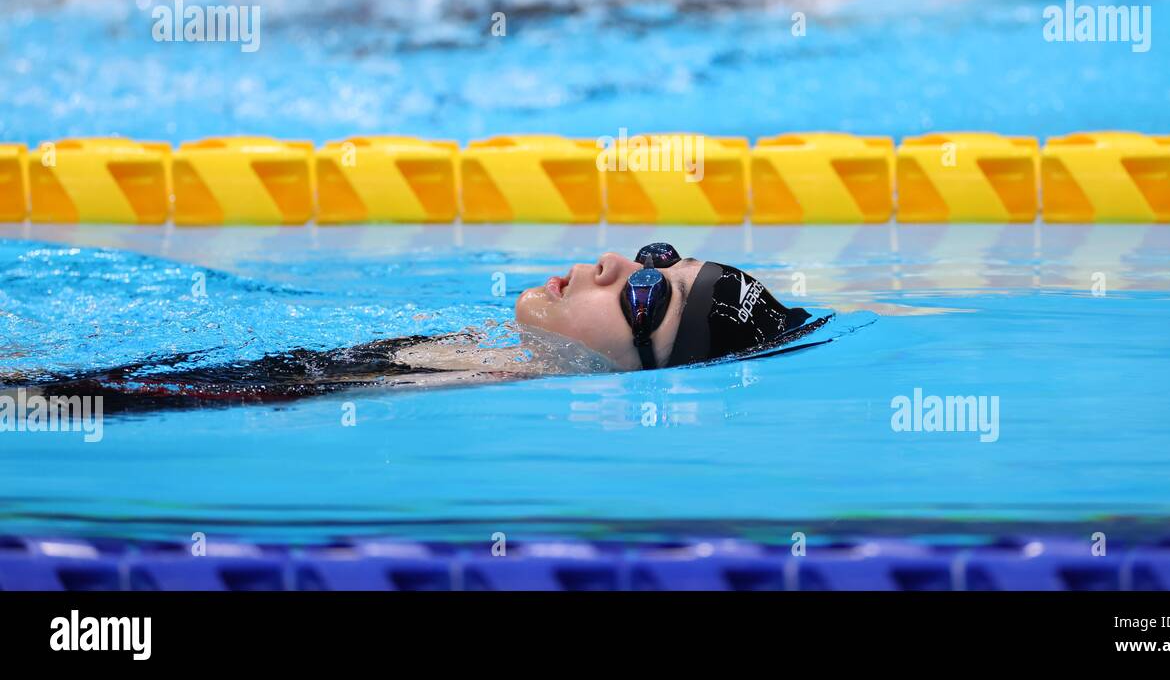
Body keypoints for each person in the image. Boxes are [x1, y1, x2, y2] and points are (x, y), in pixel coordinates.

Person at [2, 244, 830, 413]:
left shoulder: (469, 384)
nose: (614, 261)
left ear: (638, 374)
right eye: (657, 254)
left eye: (646, 295)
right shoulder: (482, 353)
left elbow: (162, 396)